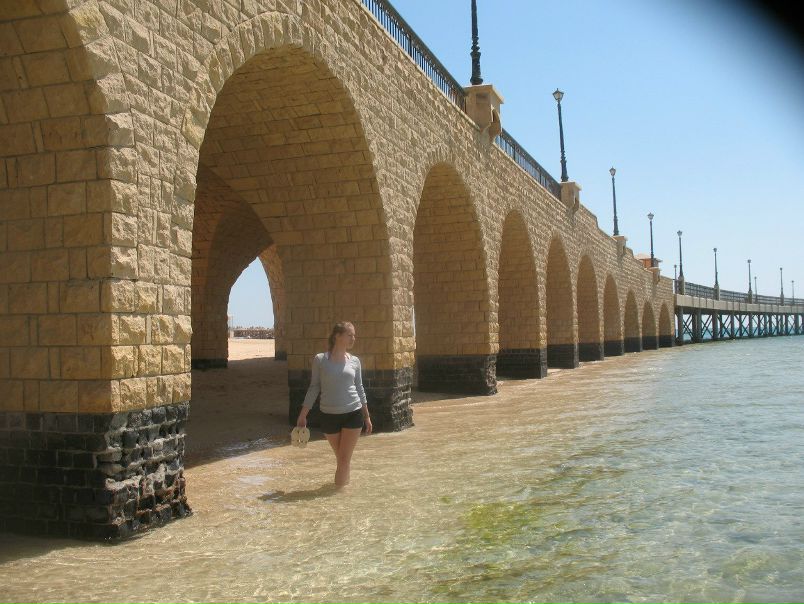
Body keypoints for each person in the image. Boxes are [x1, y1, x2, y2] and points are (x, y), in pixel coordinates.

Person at [297, 322, 372, 487]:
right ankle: (345, 488)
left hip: (353, 413)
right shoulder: (320, 360)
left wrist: (366, 416)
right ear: (337, 336)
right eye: (349, 335)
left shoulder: (355, 361)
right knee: (342, 458)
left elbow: (360, 388)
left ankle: (340, 495)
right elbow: (314, 387)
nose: (353, 338)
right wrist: (303, 415)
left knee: (344, 459)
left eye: (354, 335)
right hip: (328, 416)